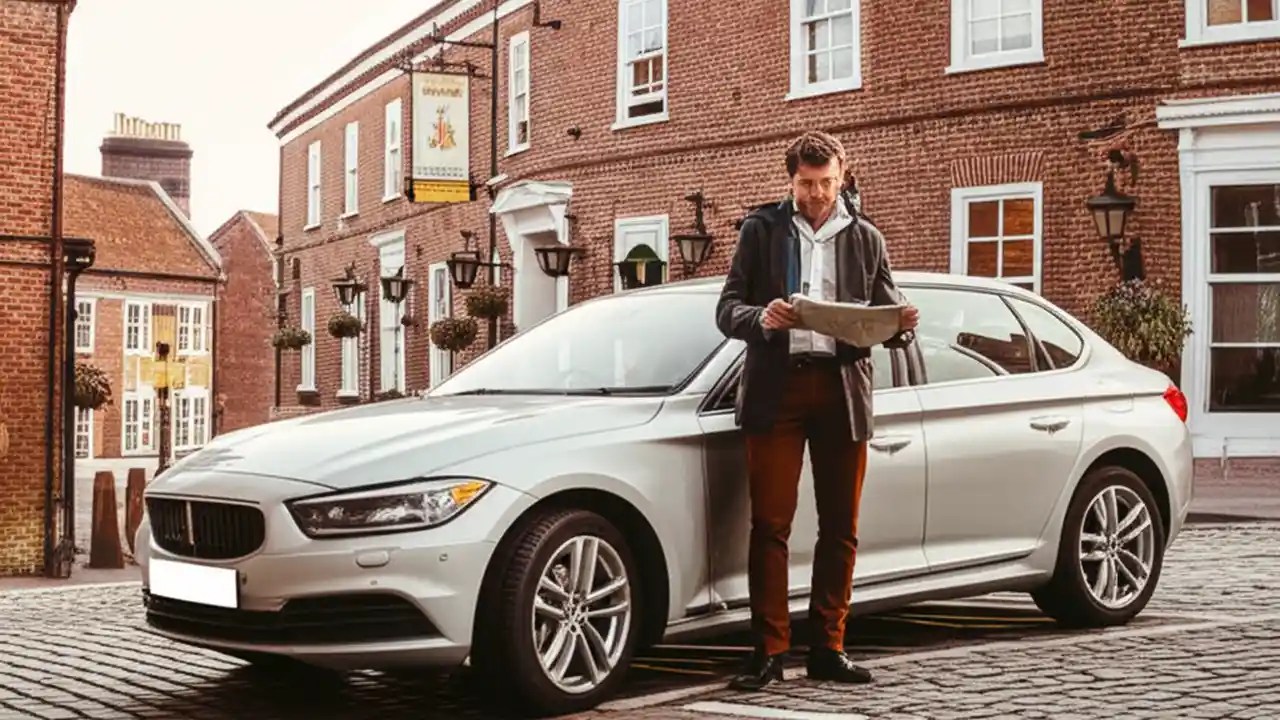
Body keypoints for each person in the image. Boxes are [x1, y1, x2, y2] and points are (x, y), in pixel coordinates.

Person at [715, 131, 919, 690]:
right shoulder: (761, 231)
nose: (817, 194)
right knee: (770, 526)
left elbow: (887, 313)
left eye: (826, 183)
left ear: (842, 175)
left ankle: (829, 647)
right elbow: (727, 309)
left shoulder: (867, 238)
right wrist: (762, 317)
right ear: (790, 179)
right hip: (776, 392)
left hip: (842, 390)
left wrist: (900, 326)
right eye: (806, 184)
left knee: (841, 527)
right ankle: (768, 652)